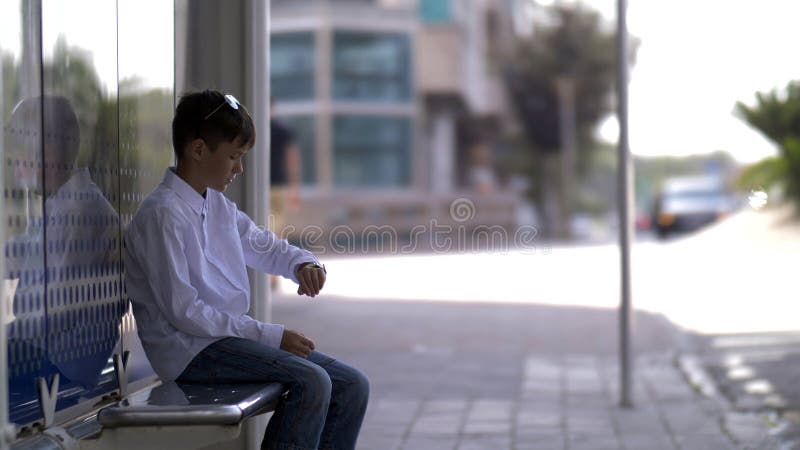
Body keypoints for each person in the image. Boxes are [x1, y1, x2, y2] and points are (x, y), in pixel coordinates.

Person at [123, 90, 369, 450]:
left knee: (352, 385)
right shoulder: (162, 215)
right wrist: (270, 335)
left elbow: (262, 244)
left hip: (224, 341)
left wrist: (302, 262)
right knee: (311, 382)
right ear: (198, 149)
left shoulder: (216, 205)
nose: (239, 169)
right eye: (234, 156)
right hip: (189, 351)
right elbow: (184, 312)